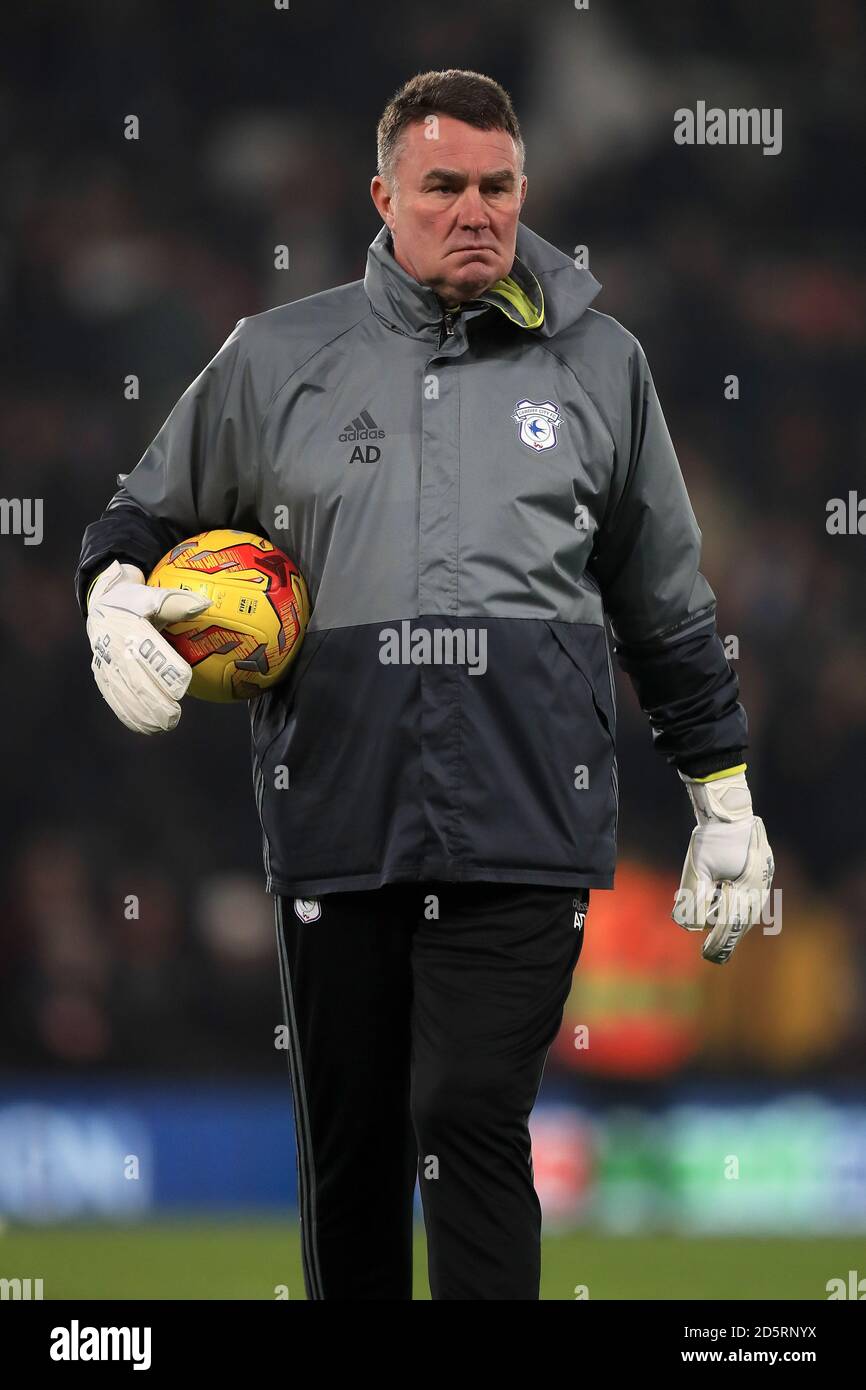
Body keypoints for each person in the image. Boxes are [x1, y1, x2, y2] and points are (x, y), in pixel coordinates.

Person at [75, 68, 774, 1300]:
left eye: (497, 185)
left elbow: (666, 605)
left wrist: (722, 798)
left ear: (524, 190)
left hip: (525, 825)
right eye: (442, 185)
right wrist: (110, 601)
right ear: (382, 197)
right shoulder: (274, 358)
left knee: (466, 1114)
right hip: (338, 823)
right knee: (350, 1160)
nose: (474, 209)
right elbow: (135, 519)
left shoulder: (602, 366)